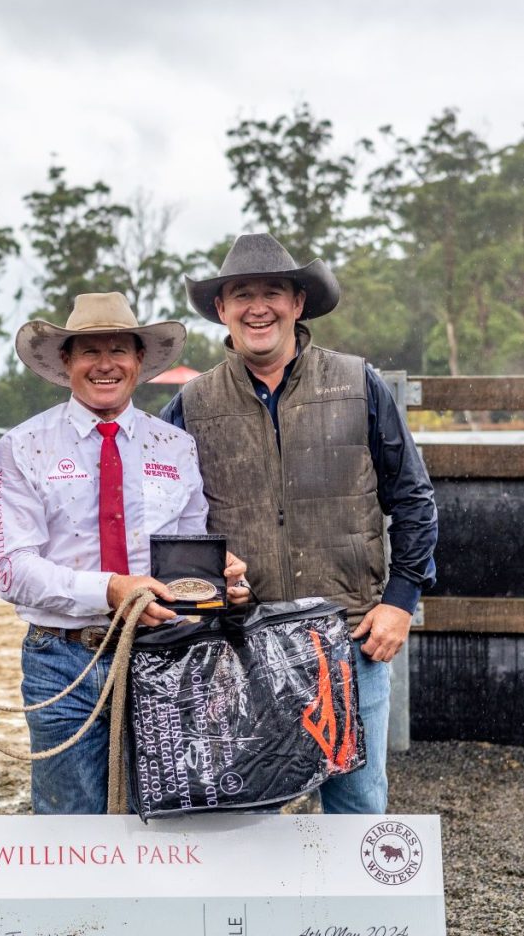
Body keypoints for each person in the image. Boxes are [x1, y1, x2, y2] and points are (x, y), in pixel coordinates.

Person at [161, 233, 438, 816]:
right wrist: (208, 580)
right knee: (243, 817)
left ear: (298, 303)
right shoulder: (192, 404)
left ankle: (357, 915)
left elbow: (413, 498)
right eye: (241, 294)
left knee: (357, 809)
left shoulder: (358, 383)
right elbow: (164, 518)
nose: (257, 307)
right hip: (239, 646)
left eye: (272, 293)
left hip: (350, 638)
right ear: (222, 310)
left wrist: (400, 600)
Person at [0, 291, 248, 815]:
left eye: (119, 351)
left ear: (139, 362)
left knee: (164, 818)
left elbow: (188, 553)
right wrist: (110, 588)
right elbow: (14, 571)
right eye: (89, 351)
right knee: (70, 828)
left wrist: (217, 584)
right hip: (62, 660)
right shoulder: (23, 447)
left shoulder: (175, 447)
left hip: (162, 652)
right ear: (66, 362)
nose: (105, 365)